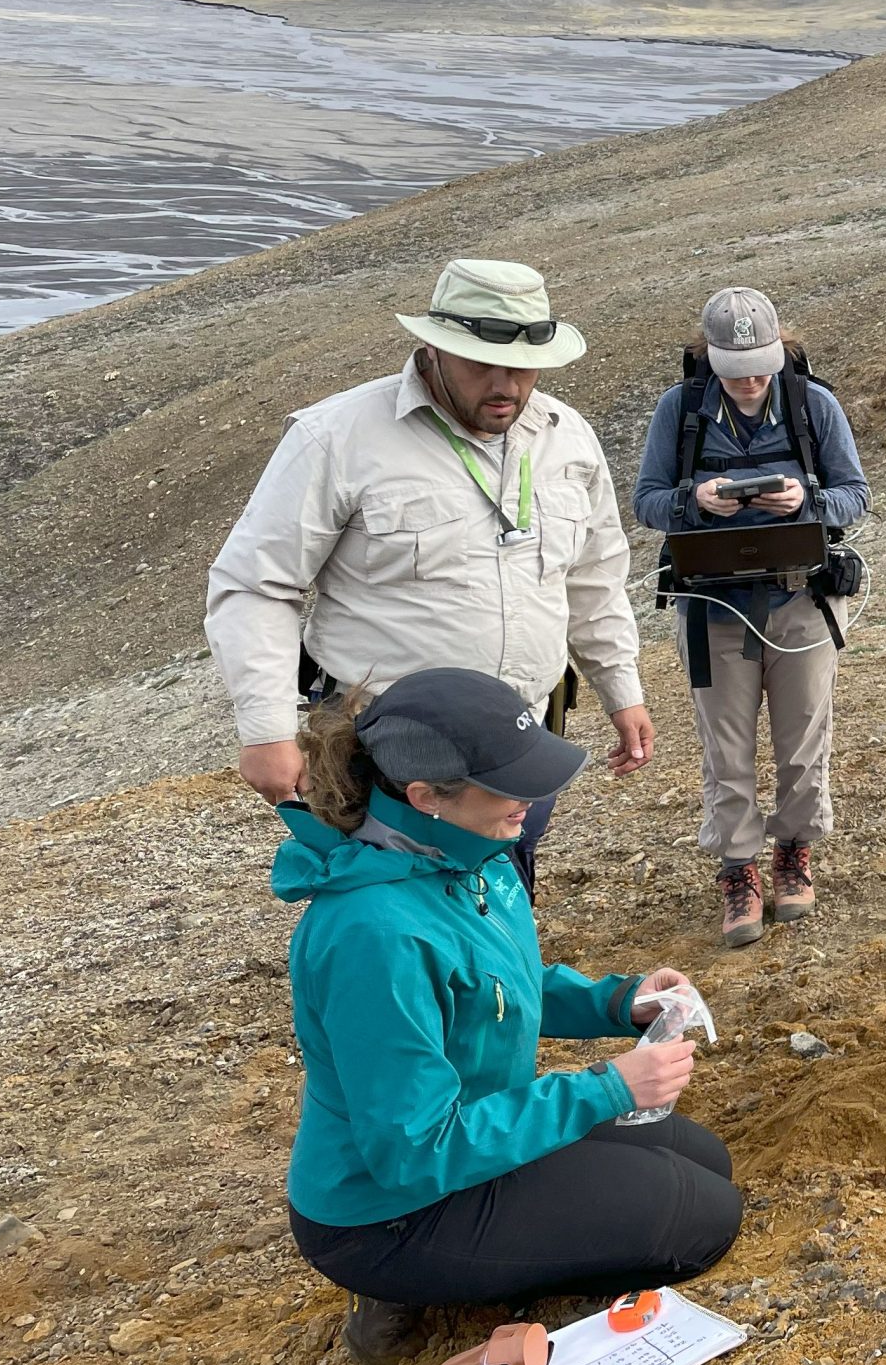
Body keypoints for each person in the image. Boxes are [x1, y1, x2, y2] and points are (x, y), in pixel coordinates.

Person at [274, 668, 739, 1365]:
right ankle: (406, 1287)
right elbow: (412, 1150)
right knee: (699, 1222)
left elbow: (504, 984)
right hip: (390, 1210)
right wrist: (608, 1088)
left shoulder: (470, 854)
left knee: (704, 1161)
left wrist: (618, 1001)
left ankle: (499, 1253)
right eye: (512, 783)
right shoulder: (373, 936)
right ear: (427, 796)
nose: (535, 798)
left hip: (473, 1141)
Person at [206, 259, 654, 894]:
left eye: (524, 367)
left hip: (520, 737)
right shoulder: (336, 437)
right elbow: (255, 585)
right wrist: (266, 732)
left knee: (502, 905)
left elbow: (594, 577)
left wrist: (621, 689)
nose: (506, 386)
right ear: (433, 349)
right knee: (390, 918)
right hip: (386, 748)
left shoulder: (567, 438)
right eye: (481, 364)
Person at [635, 287, 868, 947]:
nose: (751, 379)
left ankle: (795, 852)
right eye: (736, 369)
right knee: (726, 749)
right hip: (711, 608)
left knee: (803, 742)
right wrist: (696, 499)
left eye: (762, 364)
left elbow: (857, 496)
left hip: (800, 600)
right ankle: (738, 870)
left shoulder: (812, 404)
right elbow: (646, 500)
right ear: (709, 357)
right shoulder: (678, 411)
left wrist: (808, 498)